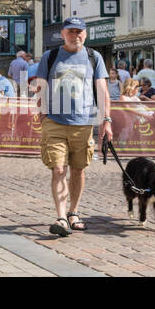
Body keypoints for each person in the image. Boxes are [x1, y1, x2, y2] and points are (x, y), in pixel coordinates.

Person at [29, 16, 111, 237]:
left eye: (79, 31)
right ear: (63, 34)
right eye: (71, 31)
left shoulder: (94, 57)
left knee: (78, 170)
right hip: (55, 122)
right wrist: (43, 112)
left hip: (84, 123)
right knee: (58, 169)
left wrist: (107, 120)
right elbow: (41, 85)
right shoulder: (51, 56)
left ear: (85, 34)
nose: (76, 35)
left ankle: (74, 212)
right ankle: (61, 216)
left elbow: (102, 90)